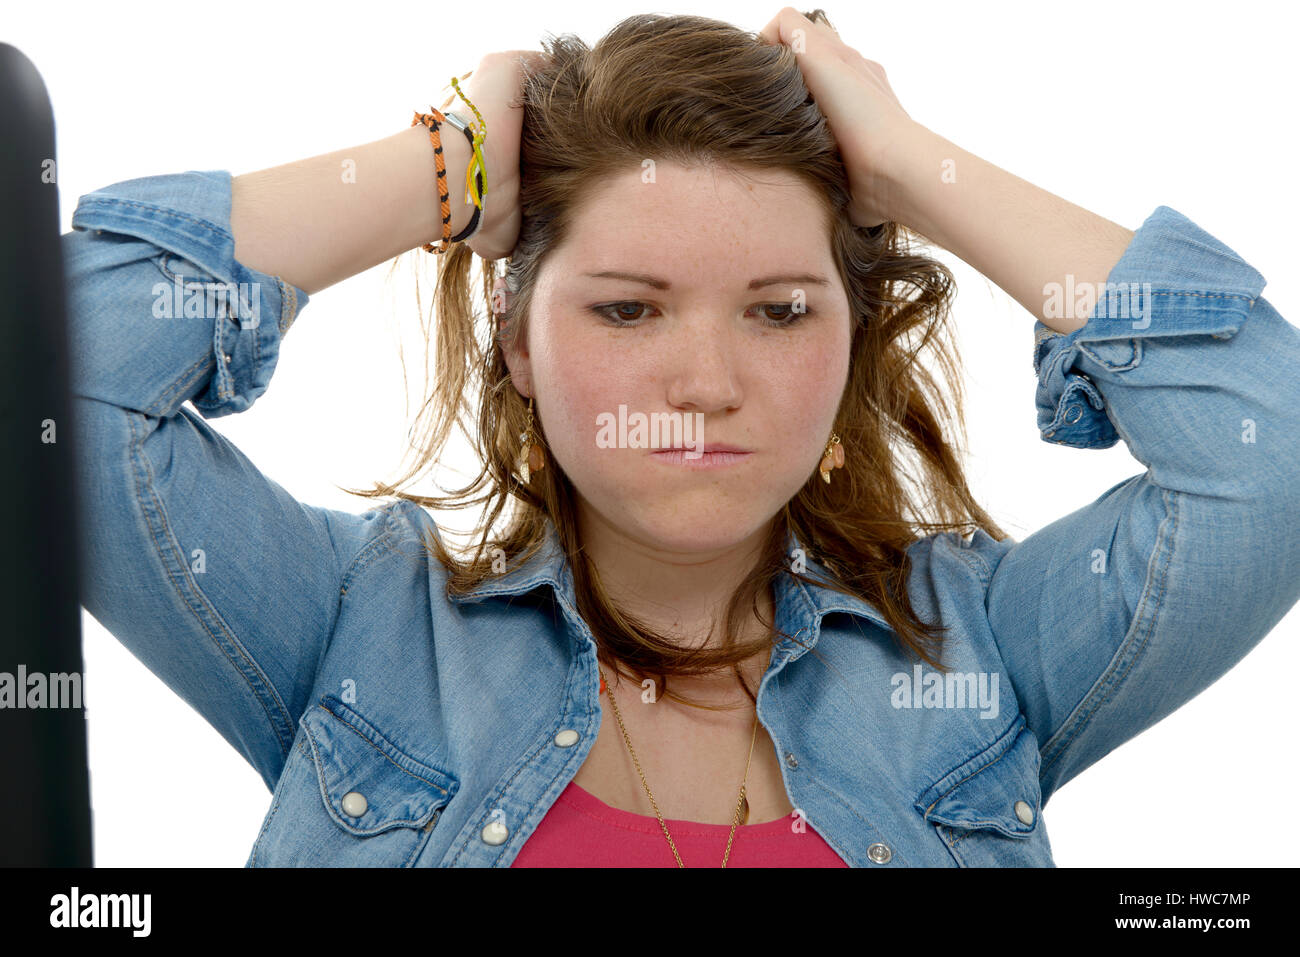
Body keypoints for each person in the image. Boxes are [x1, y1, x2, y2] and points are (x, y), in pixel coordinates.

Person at [64, 9, 1299, 867]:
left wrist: (907, 166)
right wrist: (446, 166)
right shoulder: (352, 630)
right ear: (518, 341)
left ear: (854, 340)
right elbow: (60, 370)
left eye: (779, 310)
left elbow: (1268, 453)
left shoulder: (988, 650)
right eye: (625, 306)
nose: (705, 381)